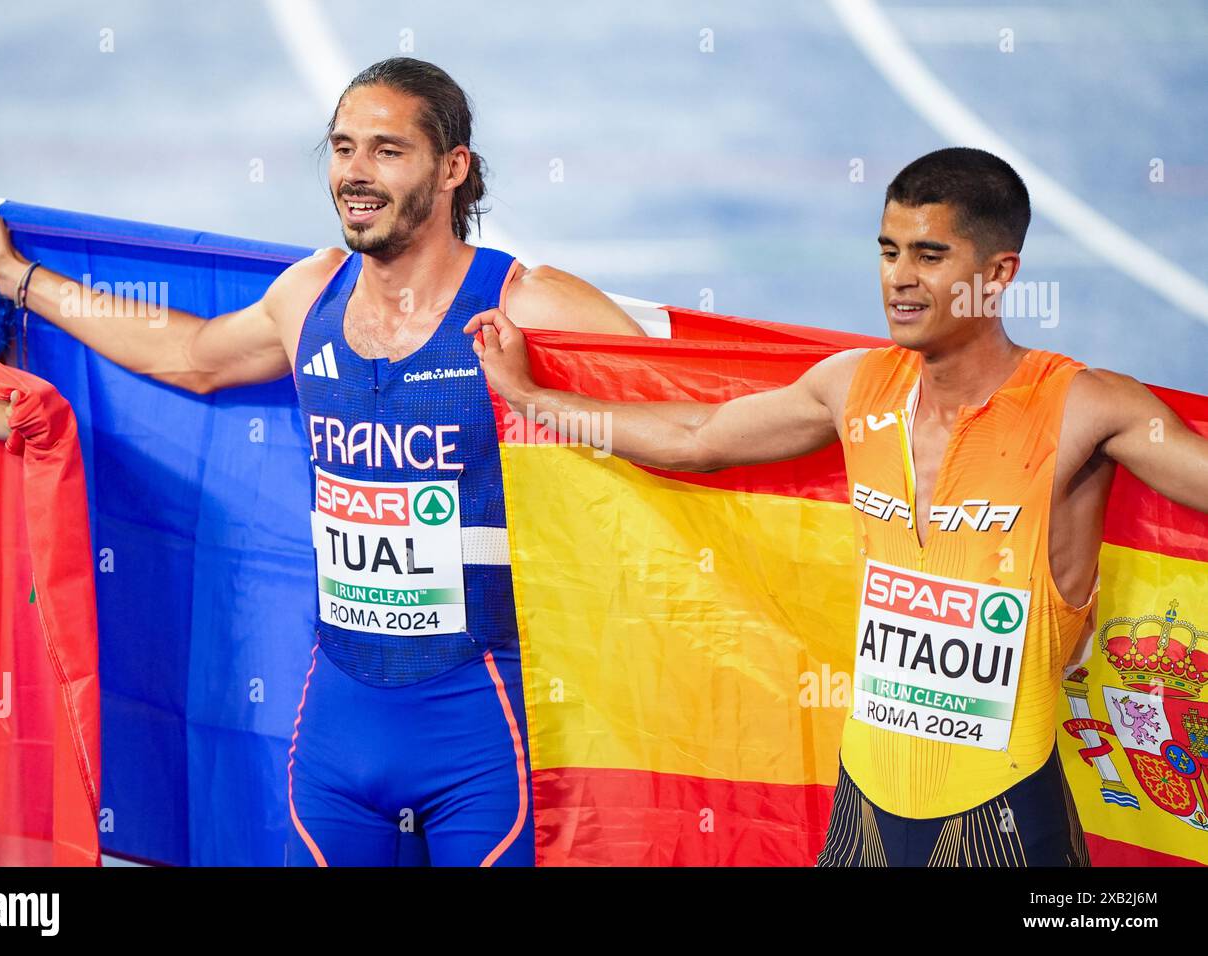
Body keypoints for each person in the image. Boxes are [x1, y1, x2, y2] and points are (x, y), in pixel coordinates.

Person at [0, 57, 644, 867]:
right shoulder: (309, 295)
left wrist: (544, 401)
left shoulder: (525, 304)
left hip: (487, 741)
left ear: (452, 167)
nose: (356, 173)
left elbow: (678, 404)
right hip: (336, 739)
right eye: (343, 147)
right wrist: (22, 279)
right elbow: (191, 356)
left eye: (388, 150)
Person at [466, 146, 1208, 866]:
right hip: (865, 818)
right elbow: (698, 436)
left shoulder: (1082, 408)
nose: (900, 279)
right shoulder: (855, 386)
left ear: (999, 273)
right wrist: (530, 397)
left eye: (929, 255)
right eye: (889, 251)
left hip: (1007, 821)